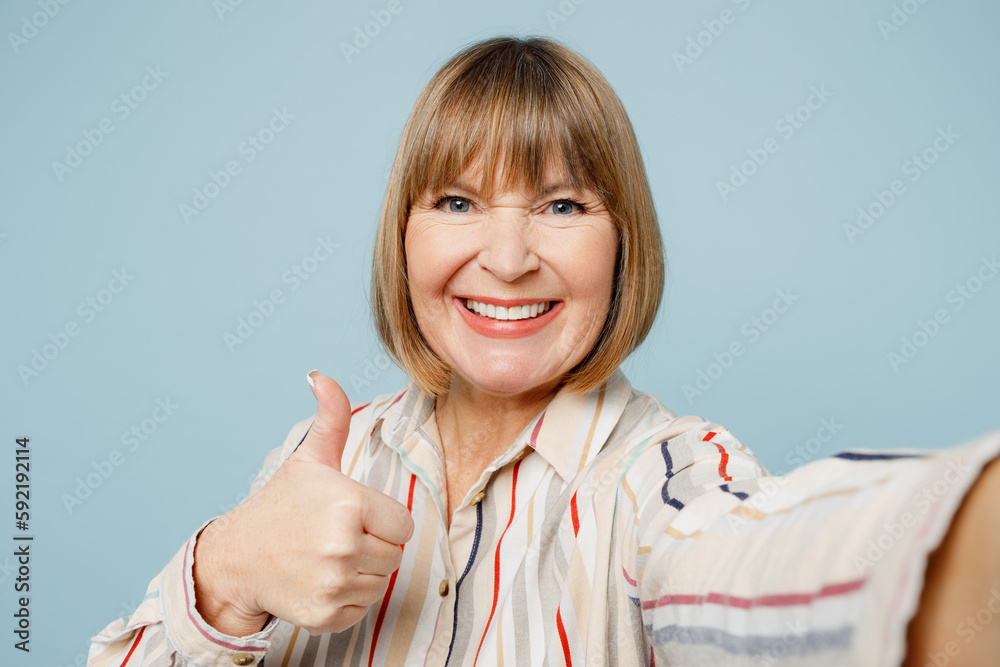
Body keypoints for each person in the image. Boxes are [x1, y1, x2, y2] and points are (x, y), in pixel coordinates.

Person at [87, 36, 1000, 666]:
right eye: (456, 202)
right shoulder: (318, 463)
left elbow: (752, 571)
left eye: (563, 205)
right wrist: (227, 571)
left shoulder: (669, 471)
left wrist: (957, 537)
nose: (510, 257)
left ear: (621, 242)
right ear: (401, 235)